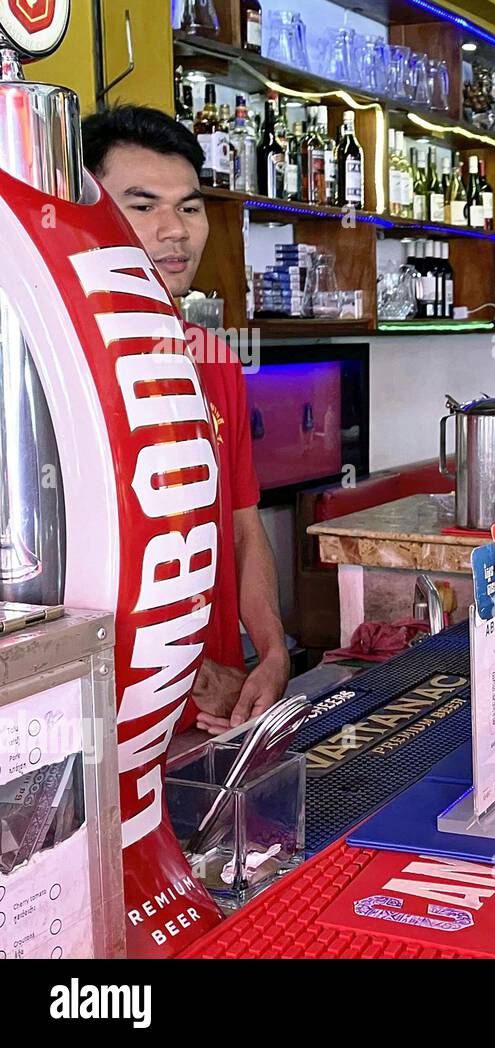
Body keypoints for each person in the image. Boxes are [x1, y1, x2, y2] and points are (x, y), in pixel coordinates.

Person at [82, 105, 289, 734]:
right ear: (86, 214)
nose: (175, 230)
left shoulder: (214, 358)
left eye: (189, 207)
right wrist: (190, 670)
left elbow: (243, 525)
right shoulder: (63, 361)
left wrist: (272, 651)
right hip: (107, 720)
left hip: (214, 715)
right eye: (143, 206)